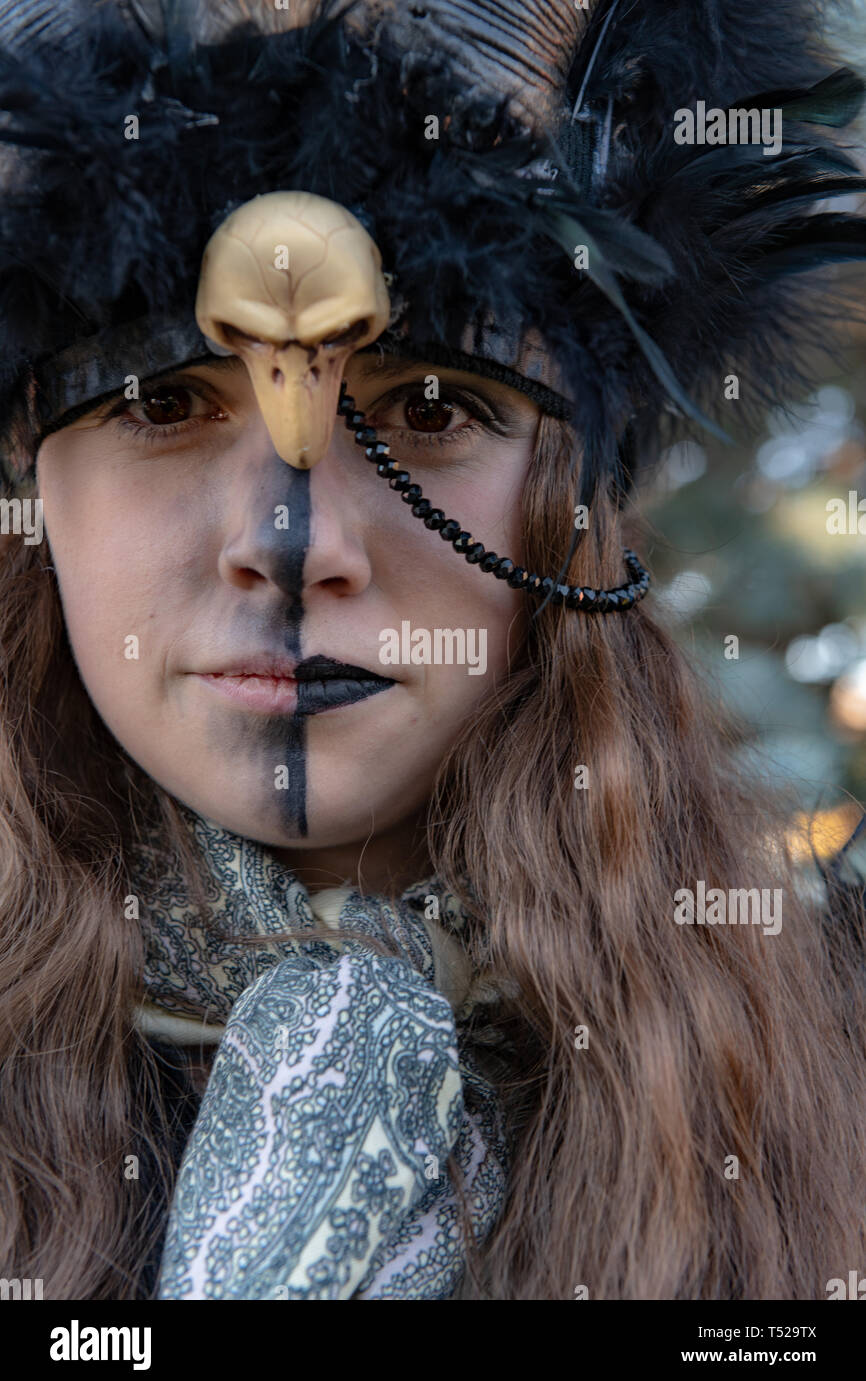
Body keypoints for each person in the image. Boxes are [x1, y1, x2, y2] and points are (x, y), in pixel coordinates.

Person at [1, 0, 866, 1301]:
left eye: (430, 402)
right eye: (162, 400)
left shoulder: (832, 1073)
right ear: (35, 493)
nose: (286, 542)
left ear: (571, 502)